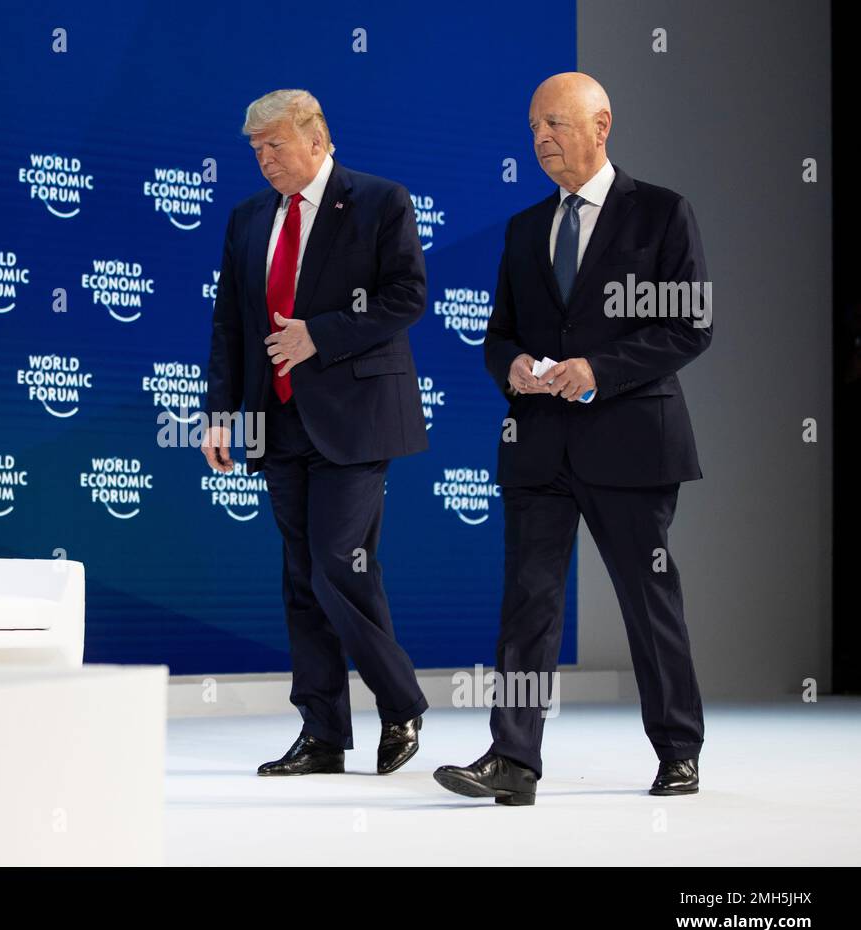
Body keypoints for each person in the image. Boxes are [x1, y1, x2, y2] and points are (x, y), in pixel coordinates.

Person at [434, 72, 712, 805]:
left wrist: (600, 370)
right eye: (533, 128)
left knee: (647, 604)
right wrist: (514, 365)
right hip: (538, 447)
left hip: (631, 443)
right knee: (527, 606)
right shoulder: (526, 227)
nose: (541, 140)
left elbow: (690, 326)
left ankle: (679, 749)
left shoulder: (660, 214)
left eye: (555, 124)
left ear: (602, 125)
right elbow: (498, 336)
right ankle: (513, 759)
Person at [203, 89, 429, 775]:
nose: (264, 159)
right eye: (256, 149)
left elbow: (407, 296)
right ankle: (323, 734)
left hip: (354, 420)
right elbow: (230, 324)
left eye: (275, 144)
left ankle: (401, 705)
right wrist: (219, 411)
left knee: (339, 563)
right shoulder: (247, 219)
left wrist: (318, 337)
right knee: (302, 578)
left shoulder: (380, 200)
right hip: (276, 422)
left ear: (318, 138)